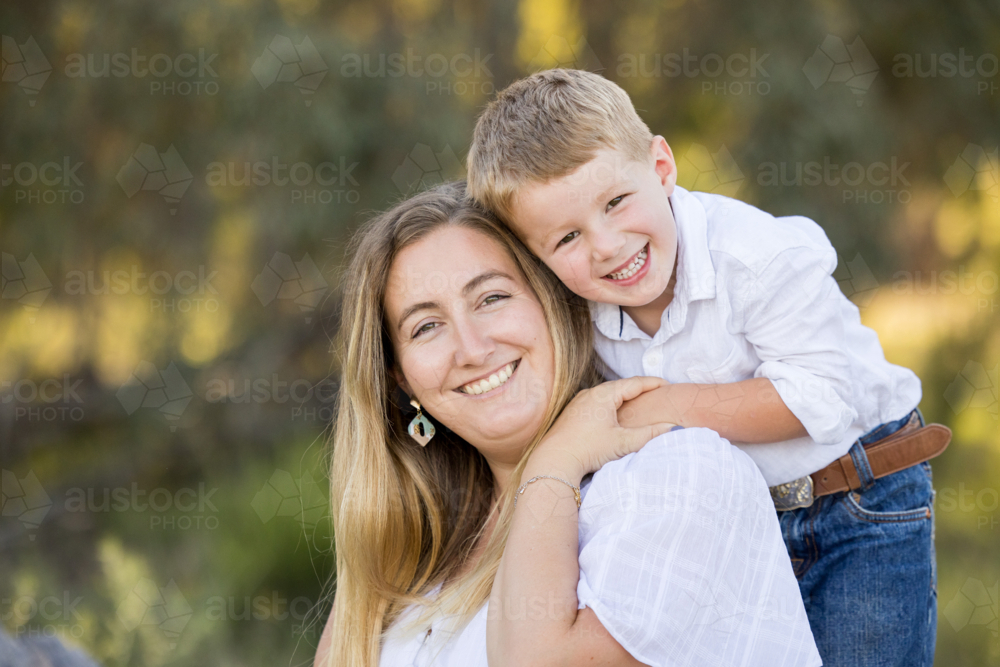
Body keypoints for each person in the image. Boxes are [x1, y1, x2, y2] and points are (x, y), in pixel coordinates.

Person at [465, 68, 950, 667]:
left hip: (859, 496)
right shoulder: (572, 312)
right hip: (741, 518)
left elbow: (821, 399)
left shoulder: (755, 257)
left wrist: (665, 404)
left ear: (661, 166)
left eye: (616, 202)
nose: (607, 246)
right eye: (566, 238)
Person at [315, 182, 820, 667]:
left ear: (554, 301)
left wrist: (553, 463)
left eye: (492, 298)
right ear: (401, 379)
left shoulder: (680, 474)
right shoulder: (412, 547)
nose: (472, 349)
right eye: (426, 327)